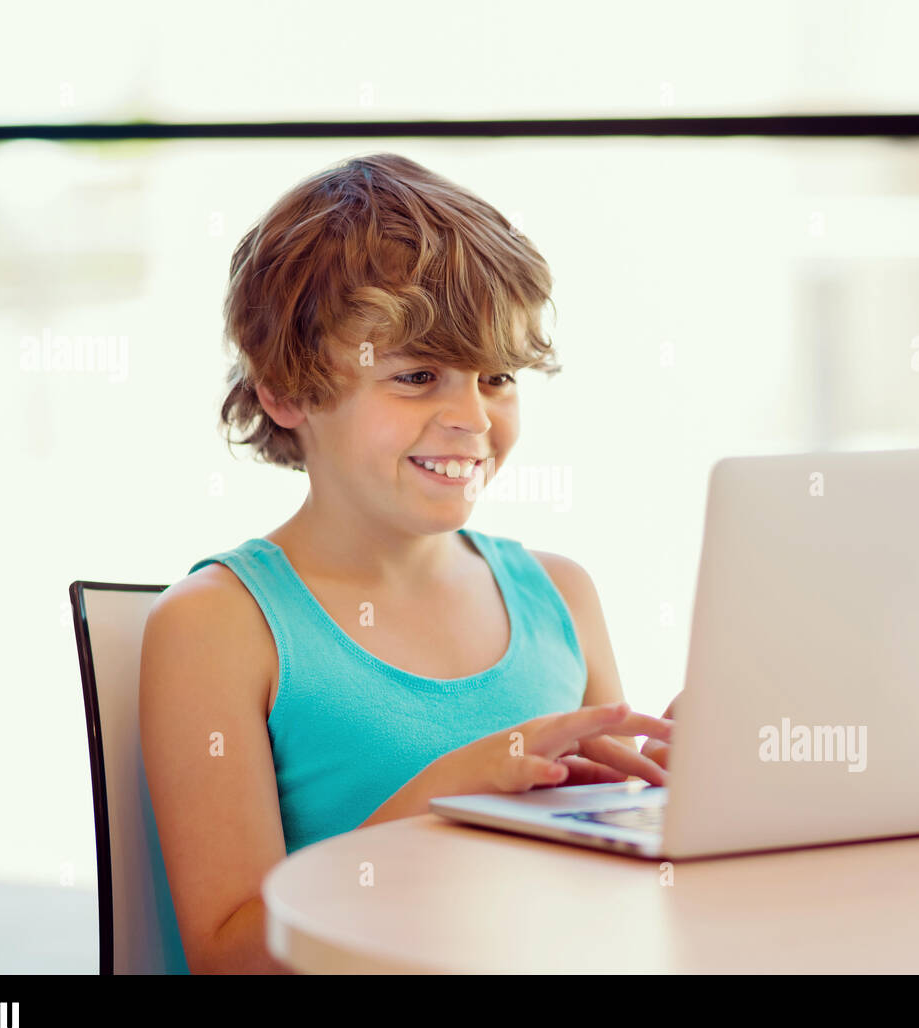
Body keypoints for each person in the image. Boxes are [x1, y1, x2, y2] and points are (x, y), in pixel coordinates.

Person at [139, 153, 675, 974]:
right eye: (418, 377)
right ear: (286, 391)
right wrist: (452, 796)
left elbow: (612, 888)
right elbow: (230, 955)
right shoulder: (217, 625)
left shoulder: (560, 594)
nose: (470, 418)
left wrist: (681, 795)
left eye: (497, 377)